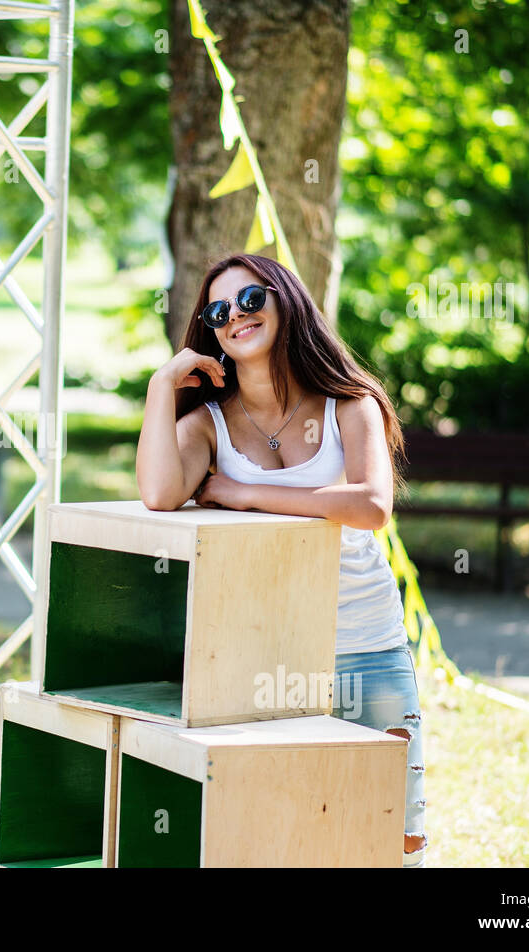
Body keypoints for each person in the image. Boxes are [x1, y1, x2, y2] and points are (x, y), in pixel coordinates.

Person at [135, 252, 428, 867]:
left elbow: (372, 505)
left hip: (365, 643)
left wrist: (245, 493)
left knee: (393, 834)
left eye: (250, 299)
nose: (235, 317)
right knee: (286, 835)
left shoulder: (350, 404)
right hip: (264, 653)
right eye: (218, 311)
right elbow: (161, 494)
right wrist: (162, 387)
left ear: (285, 299)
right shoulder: (209, 424)